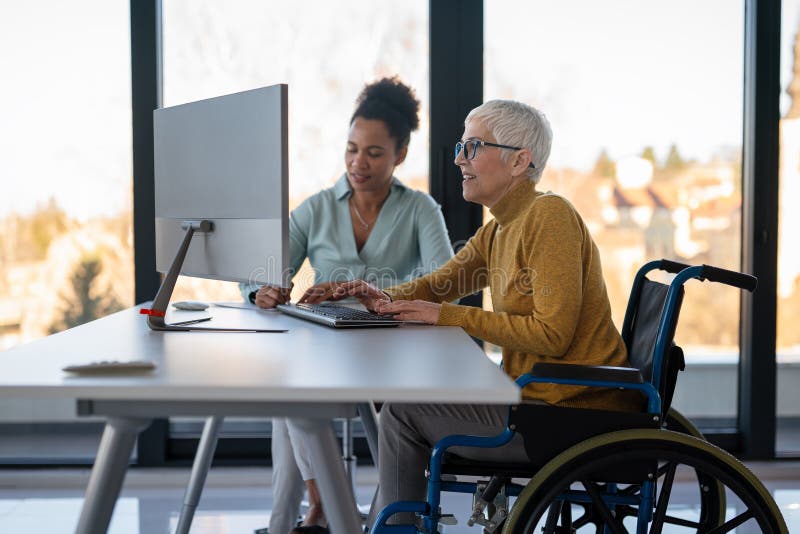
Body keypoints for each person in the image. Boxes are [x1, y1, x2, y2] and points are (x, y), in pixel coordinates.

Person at [335, 99, 641, 526]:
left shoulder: (548, 217)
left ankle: (395, 527)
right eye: (461, 146)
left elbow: (552, 335)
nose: (459, 158)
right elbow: (439, 286)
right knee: (407, 399)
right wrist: (374, 299)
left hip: (571, 411)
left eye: (474, 146)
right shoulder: (499, 227)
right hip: (535, 400)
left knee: (402, 415)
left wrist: (442, 316)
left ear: (520, 161)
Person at [240, 77, 453, 534]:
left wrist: (370, 292)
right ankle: (322, 509)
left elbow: (446, 283)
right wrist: (263, 289)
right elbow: (263, 268)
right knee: (289, 390)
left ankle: (329, 517)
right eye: (352, 148)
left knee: (294, 403)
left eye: (374, 152)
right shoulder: (316, 208)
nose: (359, 162)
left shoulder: (420, 210)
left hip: (395, 351)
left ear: (400, 154)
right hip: (323, 348)